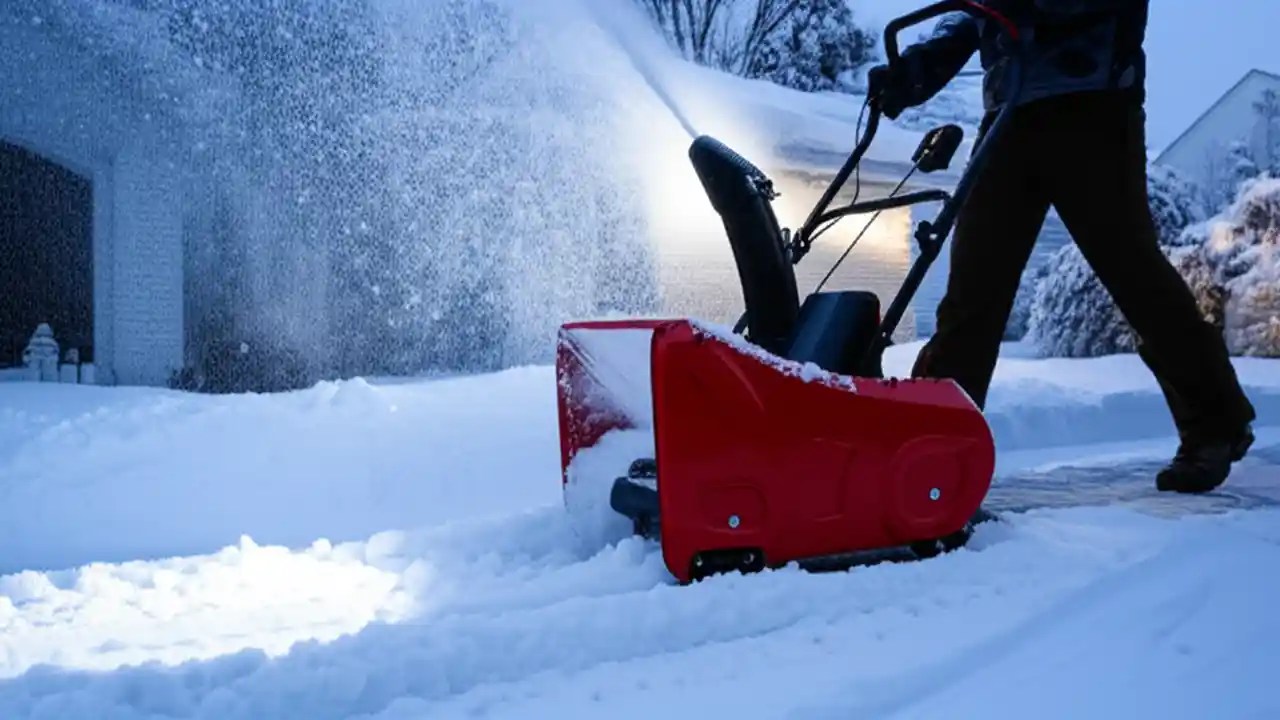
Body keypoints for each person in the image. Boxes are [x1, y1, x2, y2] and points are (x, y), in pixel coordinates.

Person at [867, 0, 1256, 493]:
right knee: (973, 288)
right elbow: (970, 12)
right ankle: (932, 447)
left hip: (1094, 108)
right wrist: (918, 68)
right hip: (1010, 113)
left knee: (1132, 272)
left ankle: (1215, 421)